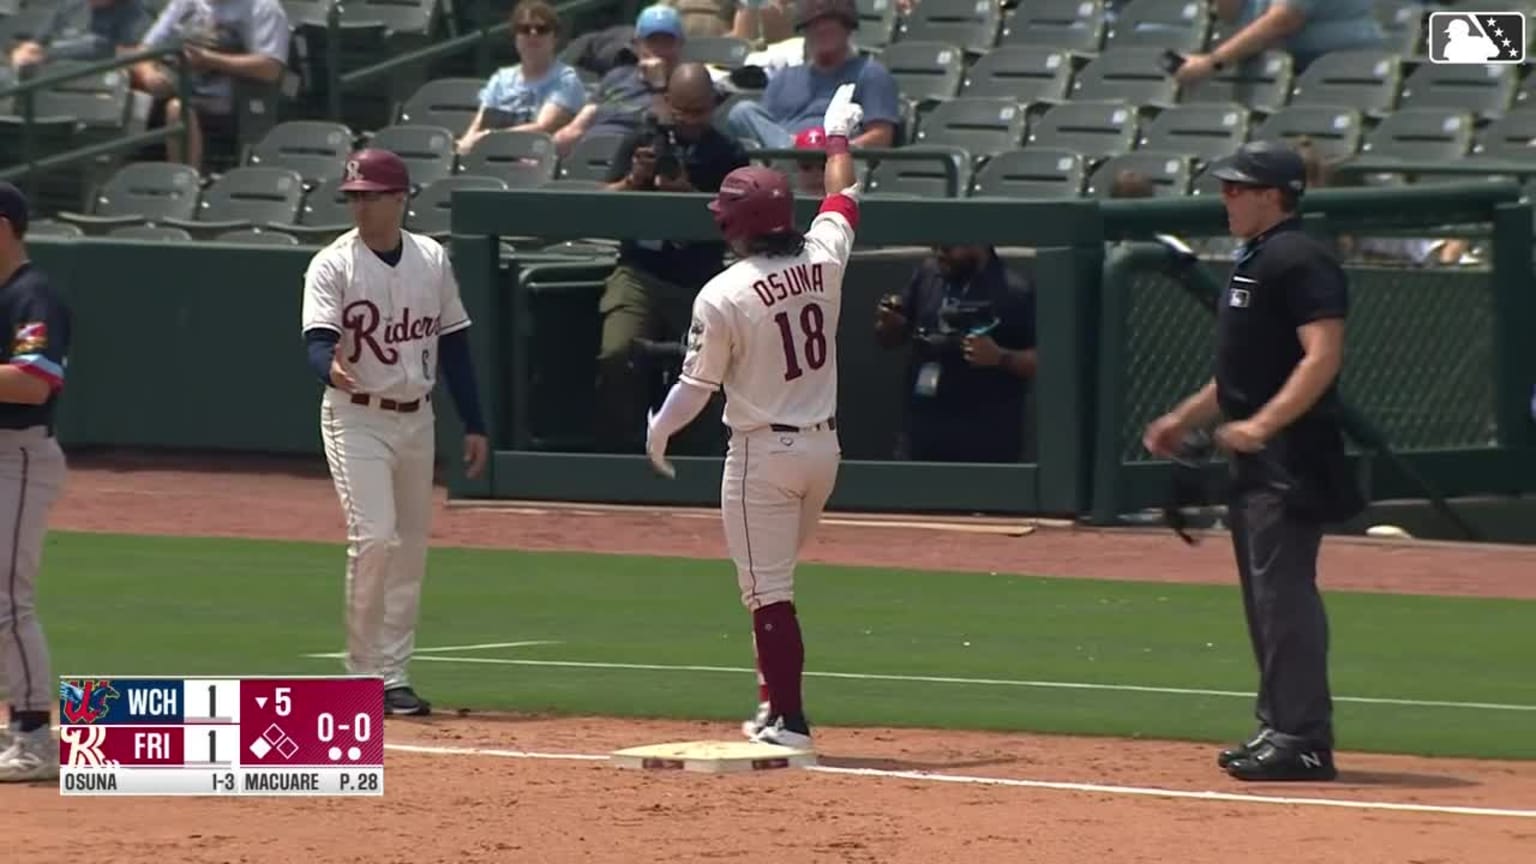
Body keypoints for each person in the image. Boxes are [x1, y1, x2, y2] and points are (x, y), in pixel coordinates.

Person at [645, 84, 864, 750]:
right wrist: (837, 139)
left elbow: (695, 387)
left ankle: (791, 721)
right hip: (823, 452)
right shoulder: (824, 258)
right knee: (771, 585)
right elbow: (842, 197)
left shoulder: (723, 293)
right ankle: (773, 706)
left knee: (767, 591)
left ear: (737, 224)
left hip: (763, 455)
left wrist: (658, 430)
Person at [1142, 139, 1364, 782]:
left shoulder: (1300, 257)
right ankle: (1280, 725)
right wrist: (1185, 419)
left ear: (1273, 194)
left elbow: (1322, 353)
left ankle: (1303, 736)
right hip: (1261, 458)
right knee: (1265, 597)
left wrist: (1265, 424)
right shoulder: (1259, 257)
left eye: (1237, 188)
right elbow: (1241, 372)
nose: (1226, 197)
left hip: (1291, 457)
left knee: (1283, 595)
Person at [300, 149, 490, 717]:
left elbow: (454, 346)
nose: (360, 204)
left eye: (371, 195)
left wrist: (476, 422)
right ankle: (361, 675)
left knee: (410, 550)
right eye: (354, 195)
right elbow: (315, 340)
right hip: (355, 415)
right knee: (376, 538)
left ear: (400, 198)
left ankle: (395, 676)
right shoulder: (333, 264)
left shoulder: (431, 258)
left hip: (417, 416)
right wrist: (326, 365)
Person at [593, 62, 748, 454]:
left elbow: (740, 218)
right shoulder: (641, 143)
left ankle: (699, 451)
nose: (692, 121)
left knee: (711, 367)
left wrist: (688, 190)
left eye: (701, 111)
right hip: (641, 270)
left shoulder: (727, 152)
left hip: (699, 277)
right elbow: (598, 203)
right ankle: (626, 446)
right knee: (617, 352)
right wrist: (634, 181)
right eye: (683, 112)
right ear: (668, 104)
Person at [0, 183, 71, 782]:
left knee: (7, 601)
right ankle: (19, 721)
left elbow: (33, 382)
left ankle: (33, 735)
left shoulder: (34, 295)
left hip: (18, 457)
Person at [874, 245, 1037, 463]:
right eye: (936, 247)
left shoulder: (1015, 291)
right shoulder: (929, 275)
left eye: (949, 247)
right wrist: (890, 323)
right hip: (922, 437)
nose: (941, 253)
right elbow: (890, 338)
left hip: (985, 443)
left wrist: (999, 357)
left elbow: (1043, 360)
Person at [130, 0, 291, 169]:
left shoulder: (263, 8)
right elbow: (144, 50)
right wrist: (149, 75)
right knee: (119, 95)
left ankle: (182, 181)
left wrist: (210, 61)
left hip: (229, 100)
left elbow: (270, 68)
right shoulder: (185, 3)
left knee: (177, 110)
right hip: (175, 84)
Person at [724, 0, 899, 150]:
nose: (821, 29)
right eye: (814, 24)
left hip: (833, 161)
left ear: (847, 27)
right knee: (742, 111)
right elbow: (766, 130)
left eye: (830, 22)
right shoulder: (783, 78)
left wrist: (836, 152)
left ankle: (802, 153)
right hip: (781, 163)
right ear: (804, 31)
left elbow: (881, 136)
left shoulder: (870, 73)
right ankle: (793, 152)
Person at [456, 0, 587, 155]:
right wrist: (465, 144)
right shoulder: (501, 79)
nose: (533, 35)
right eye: (524, 29)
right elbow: (478, 124)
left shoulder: (565, 80)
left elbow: (543, 127)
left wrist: (488, 138)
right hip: (488, 157)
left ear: (555, 38)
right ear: (515, 38)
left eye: (542, 29)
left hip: (532, 159)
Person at [553, 4, 686, 156]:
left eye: (667, 42)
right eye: (653, 42)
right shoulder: (617, 77)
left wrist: (658, 86)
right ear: (637, 46)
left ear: (680, 45)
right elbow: (576, 128)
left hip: (636, 165)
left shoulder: (686, 84)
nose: (660, 50)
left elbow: (671, 135)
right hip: (588, 157)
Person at [1173, 0, 1383, 83]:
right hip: (1292, 73)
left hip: (1342, 74)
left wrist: (1212, 63)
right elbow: (1232, 15)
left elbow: (1283, 20)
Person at [8, 0, 150, 70]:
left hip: (98, 87)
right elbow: (35, 44)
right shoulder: (72, 5)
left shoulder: (135, 12)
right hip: (51, 80)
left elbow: (139, 54)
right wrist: (22, 54)